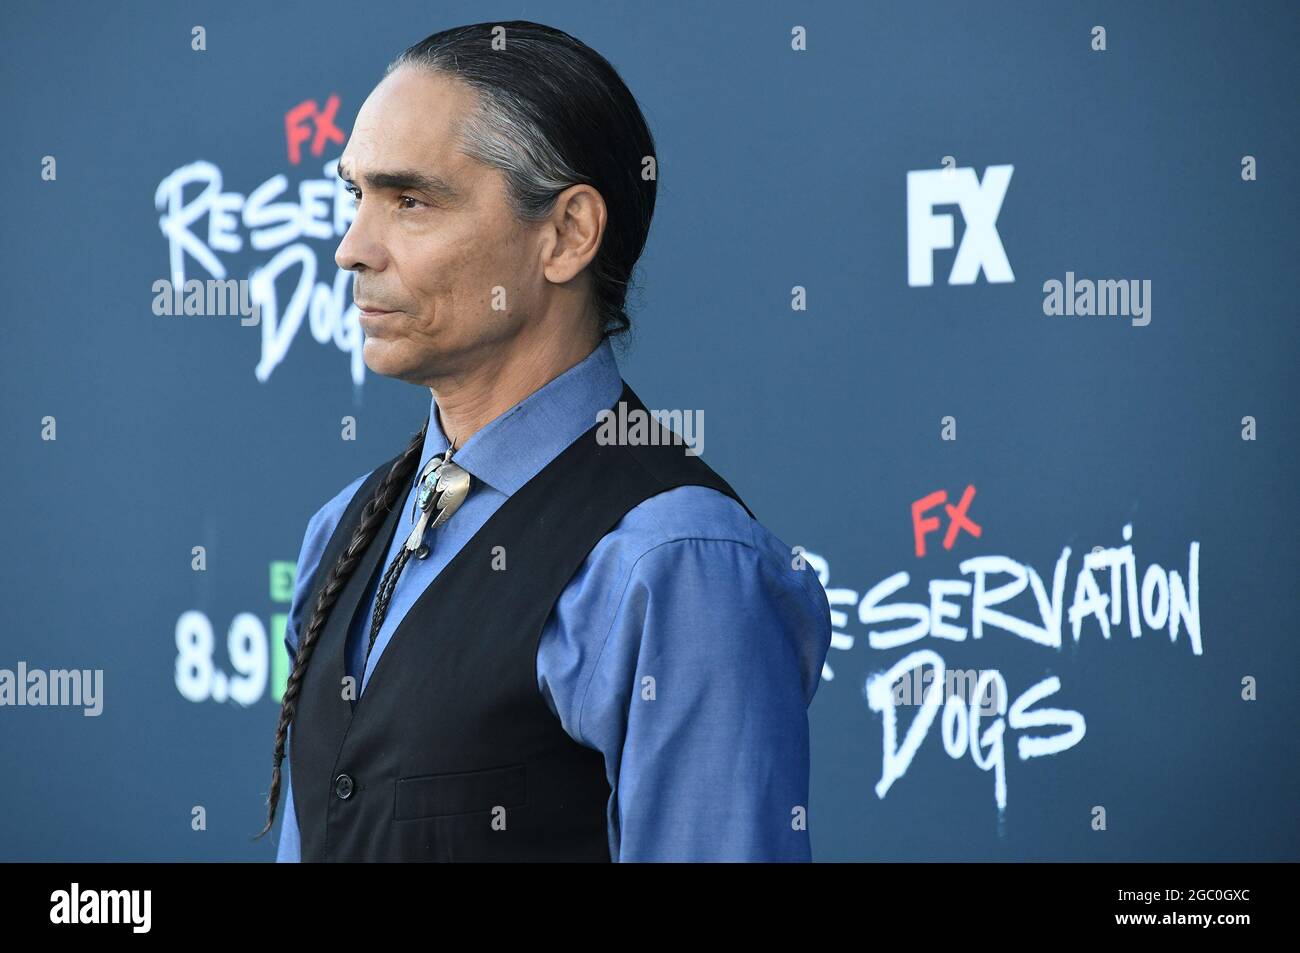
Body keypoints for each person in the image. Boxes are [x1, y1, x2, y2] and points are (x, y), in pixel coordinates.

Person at [256, 20, 831, 862]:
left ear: (566, 234)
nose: (352, 250)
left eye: (409, 201)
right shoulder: (338, 531)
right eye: (355, 197)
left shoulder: (676, 563)